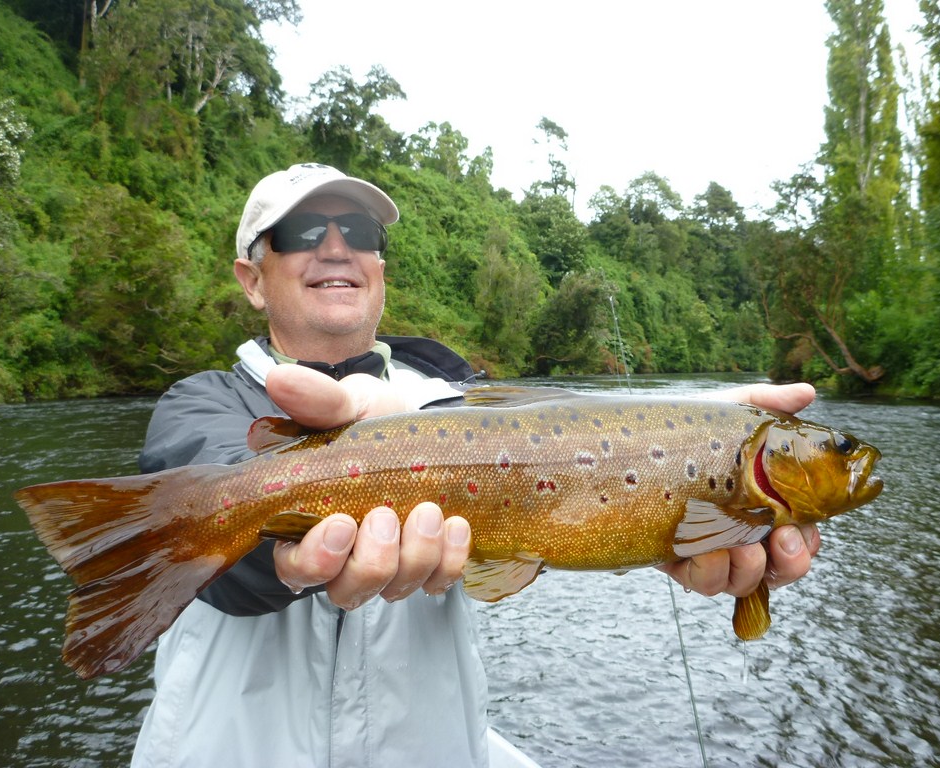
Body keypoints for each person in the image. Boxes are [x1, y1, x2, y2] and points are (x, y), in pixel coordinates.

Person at [130, 162, 820, 767]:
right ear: (253, 278)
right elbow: (203, 484)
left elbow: (582, 439)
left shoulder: (461, 408)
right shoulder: (203, 405)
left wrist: (706, 446)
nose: (336, 246)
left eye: (360, 234)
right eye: (303, 232)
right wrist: (282, 555)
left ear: (380, 270)